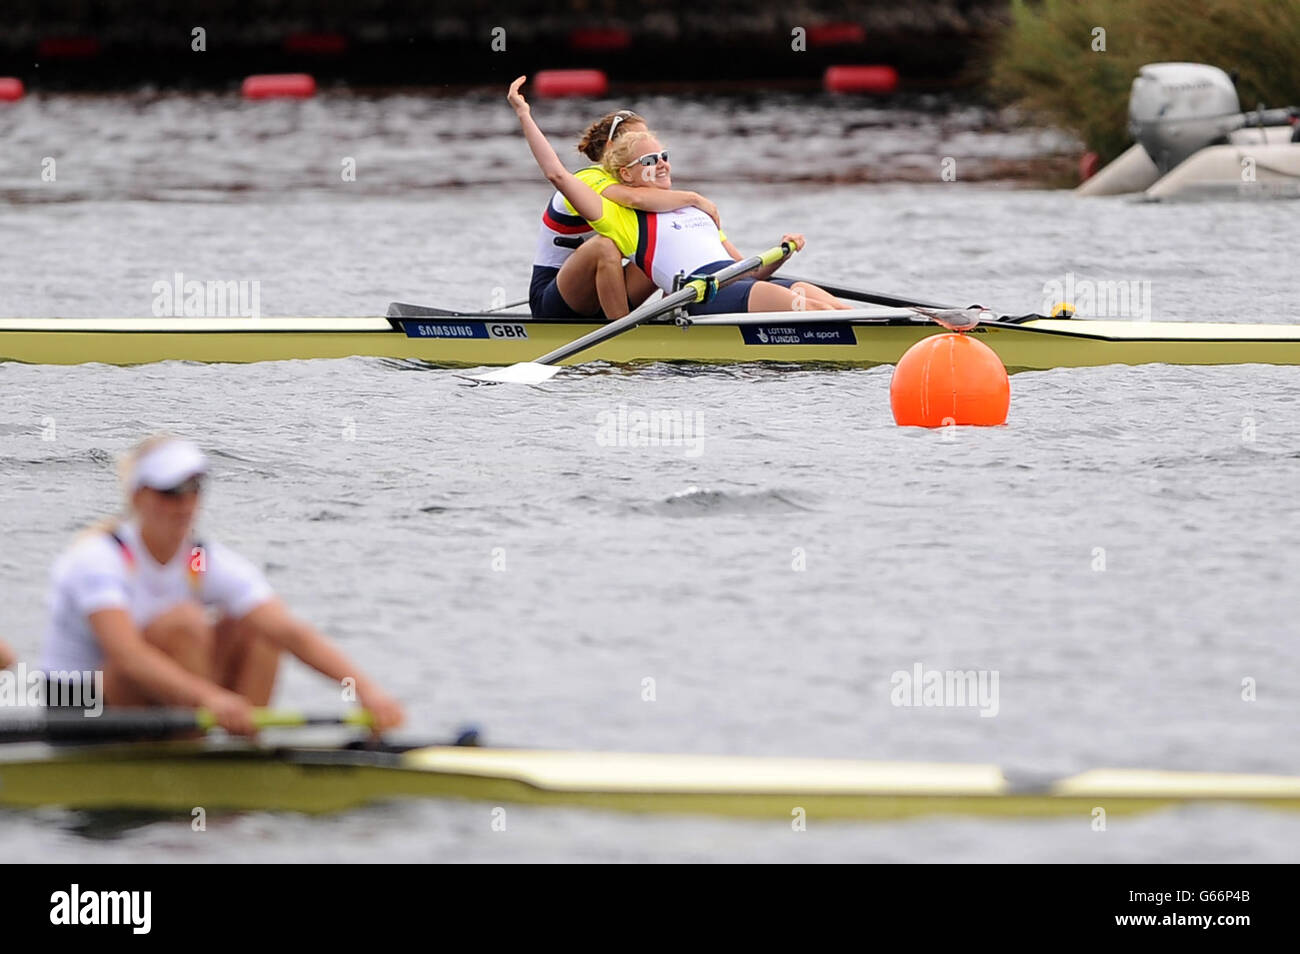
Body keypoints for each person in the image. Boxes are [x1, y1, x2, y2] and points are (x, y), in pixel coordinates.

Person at [38, 435, 404, 735]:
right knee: (185, 623)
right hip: (78, 709)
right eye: (170, 491)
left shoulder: (200, 560)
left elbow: (290, 632)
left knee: (259, 629)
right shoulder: (102, 557)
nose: (184, 503)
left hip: (162, 704)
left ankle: (239, 749)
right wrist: (210, 698)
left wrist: (366, 691)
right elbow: (127, 655)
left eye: (194, 488)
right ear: (138, 496)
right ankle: (196, 752)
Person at [510, 76, 849, 316]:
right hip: (699, 293)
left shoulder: (691, 211)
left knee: (835, 307)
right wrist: (525, 114)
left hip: (727, 284)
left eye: (664, 156)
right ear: (623, 168)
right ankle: (623, 332)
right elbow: (557, 174)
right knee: (605, 245)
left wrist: (783, 252)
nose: (660, 164)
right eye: (647, 158)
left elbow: (746, 271)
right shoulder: (619, 208)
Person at [530, 108, 723, 321]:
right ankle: (623, 334)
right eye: (636, 138)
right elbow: (634, 199)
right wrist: (694, 198)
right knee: (605, 246)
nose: (645, 143)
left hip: (603, 291)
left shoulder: (639, 181)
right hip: (555, 299)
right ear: (612, 146)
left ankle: (675, 316)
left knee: (666, 247)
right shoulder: (590, 177)